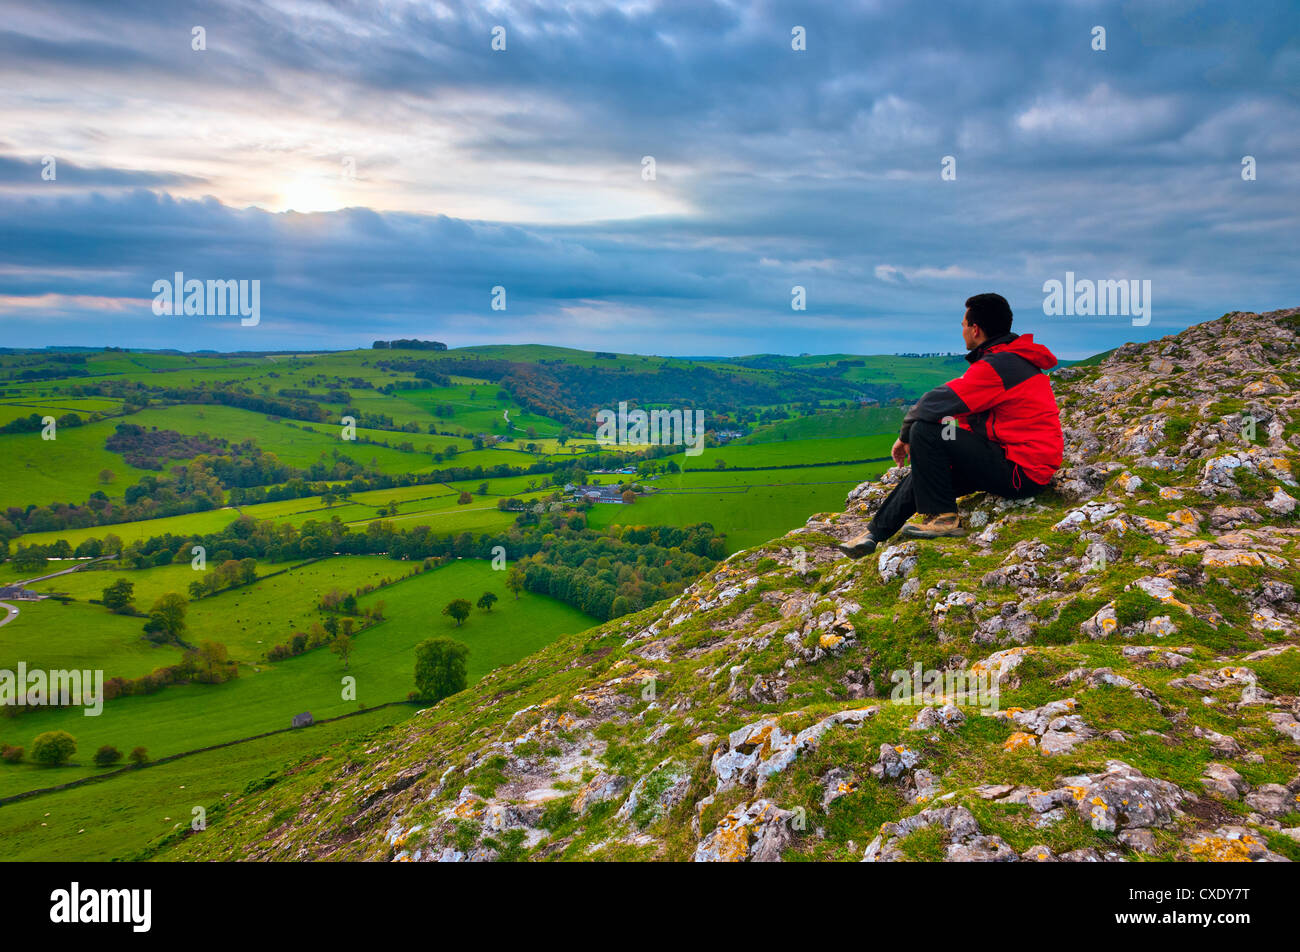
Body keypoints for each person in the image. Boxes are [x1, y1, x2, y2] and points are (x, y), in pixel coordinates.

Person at [842, 293, 1063, 557]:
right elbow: (970, 417)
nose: (962, 331)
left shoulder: (999, 366)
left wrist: (905, 436)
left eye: (963, 325)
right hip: (1013, 462)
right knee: (928, 473)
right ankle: (874, 534)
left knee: (924, 429)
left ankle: (944, 519)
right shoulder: (1009, 360)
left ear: (975, 329)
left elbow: (934, 403)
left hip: (1020, 471)